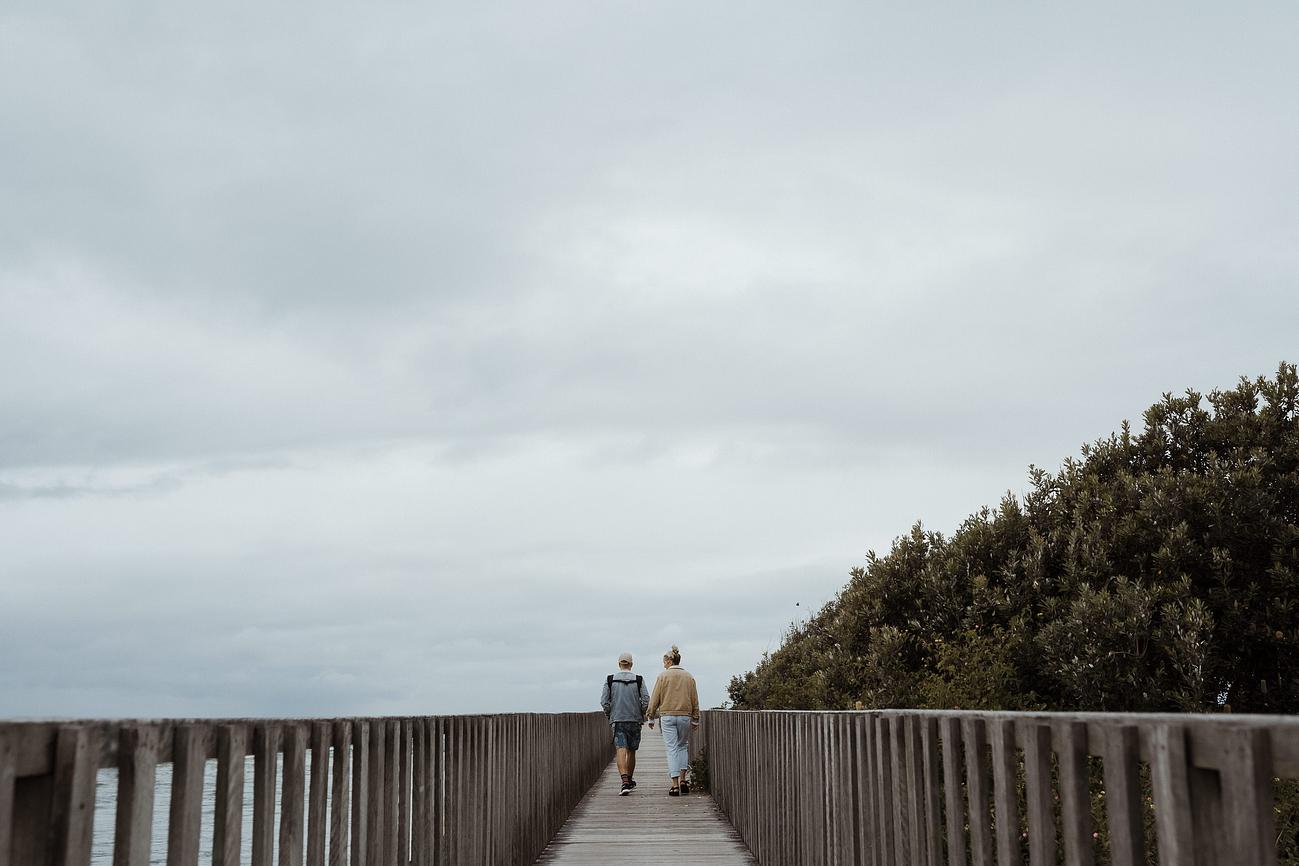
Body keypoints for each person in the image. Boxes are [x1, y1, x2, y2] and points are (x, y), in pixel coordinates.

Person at [646, 644, 700, 796]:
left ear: (669, 661)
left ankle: (675, 785)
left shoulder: (663, 676)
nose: (663, 665)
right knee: (683, 746)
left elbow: (655, 698)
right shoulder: (689, 676)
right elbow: (694, 699)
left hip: (667, 716)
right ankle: (683, 780)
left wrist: (650, 716)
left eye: (664, 662)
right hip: (685, 716)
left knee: (672, 749)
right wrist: (695, 718)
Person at [600, 651, 650, 795]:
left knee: (620, 749)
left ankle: (624, 782)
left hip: (618, 719)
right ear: (631, 664)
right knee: (631, 751)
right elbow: (646, 699)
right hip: (634, 719)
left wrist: (610, 714)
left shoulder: (610, 679)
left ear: (619, 664)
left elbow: (604, 701)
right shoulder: (638, 679)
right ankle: (629, 778)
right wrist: (641, 711)